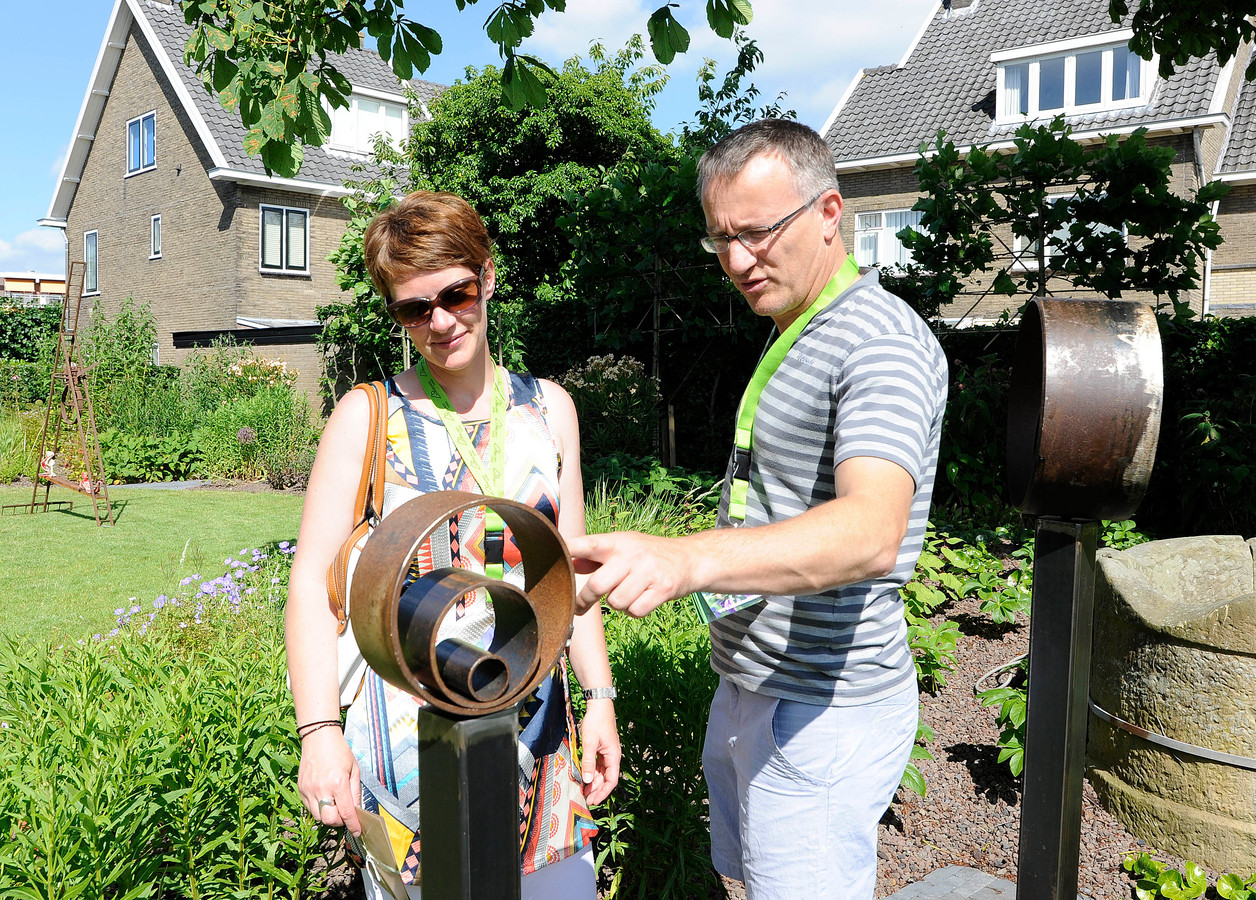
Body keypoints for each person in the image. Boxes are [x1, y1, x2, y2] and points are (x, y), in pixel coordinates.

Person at [567, 120, 948, 899]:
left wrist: (688, 559)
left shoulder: (879, 342)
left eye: (757, 233)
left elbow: (873, 532)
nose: (738, 261)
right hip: (753, 684)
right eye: (721, 239)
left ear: (830, 212)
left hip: (819, 709)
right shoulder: (801, 329)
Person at [286, 190, 620, 899]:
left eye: (456, 295)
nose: (440, 322)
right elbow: (312, 585)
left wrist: (600, 696)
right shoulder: (367, 417)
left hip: (538, 731)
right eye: (414, 309)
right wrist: (318, 732)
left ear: (487, 278)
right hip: (412, 740)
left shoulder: (548, 409)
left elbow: (572, 572)